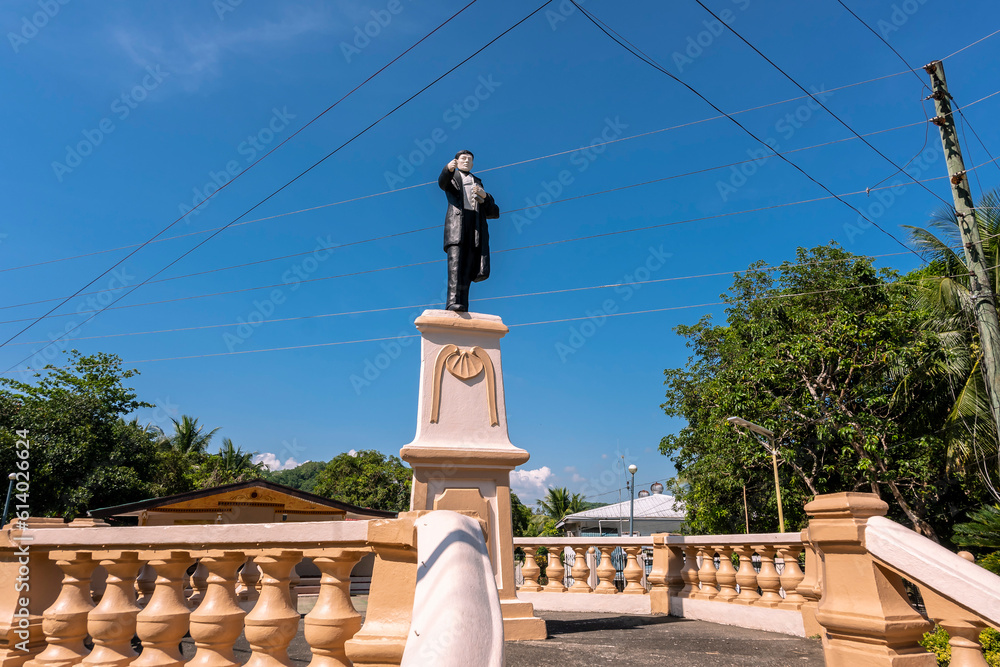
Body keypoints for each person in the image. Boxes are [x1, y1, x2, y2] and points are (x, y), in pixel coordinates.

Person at [438, 150, 499, 312]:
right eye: (463, 159)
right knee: (455, 266)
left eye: (469, 159)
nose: (466, 161)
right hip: (457, 226)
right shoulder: (453, 179)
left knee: (468, 267)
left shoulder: (478, 182)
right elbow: (443, 183)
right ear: (456, 162)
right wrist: (447, 170)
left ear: (473, 164)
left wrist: (484, 196)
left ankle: (463, 303)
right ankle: (452, 302)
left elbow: (494, 212)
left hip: (475, 229)